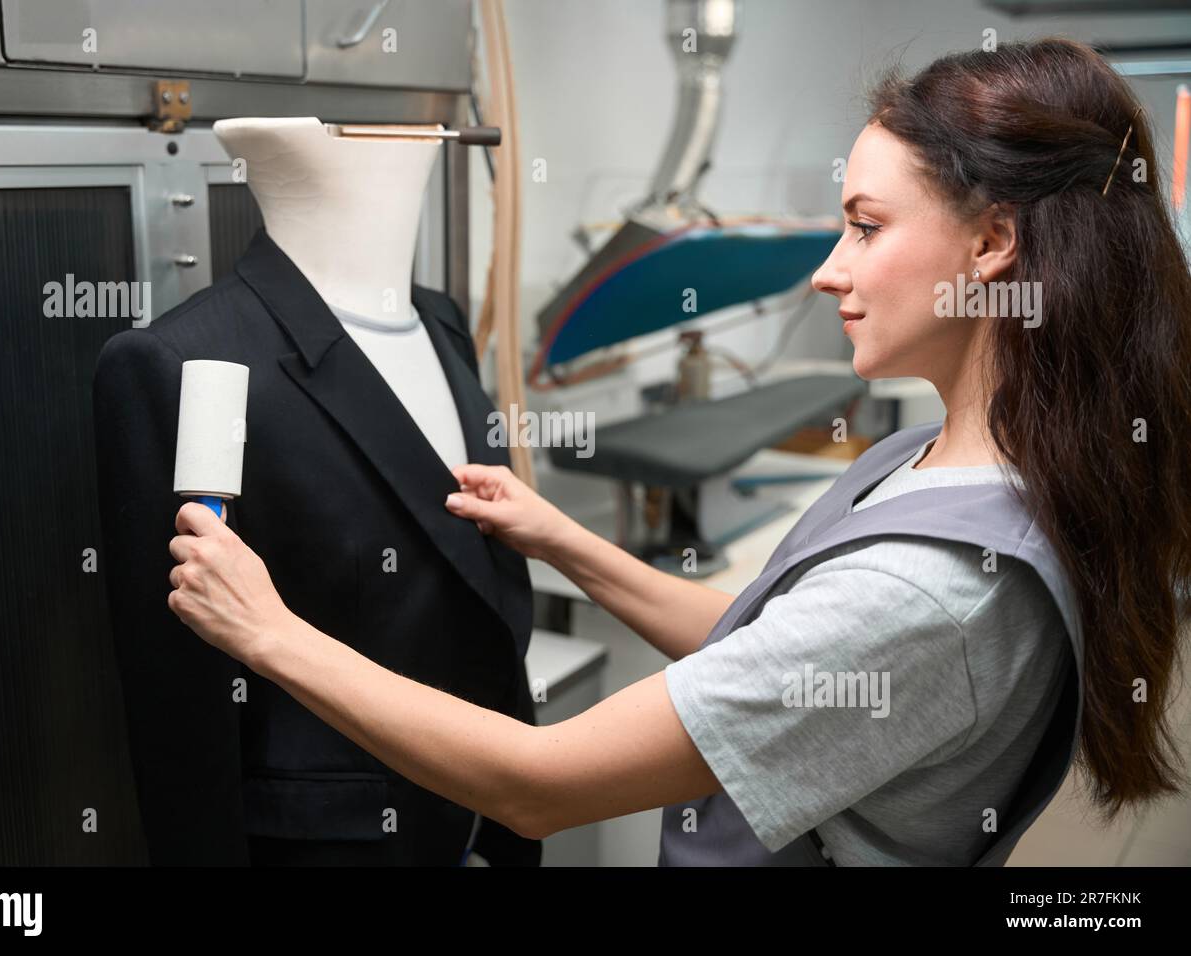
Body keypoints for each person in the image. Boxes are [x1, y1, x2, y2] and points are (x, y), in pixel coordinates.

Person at [164, 37, 1191, 865]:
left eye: (866, 227)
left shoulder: (934, 590)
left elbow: (536, 783)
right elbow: (769, 645)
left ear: (990, 244)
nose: (828, 270)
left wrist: (268, 634)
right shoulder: (961, 460)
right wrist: (565, 539)